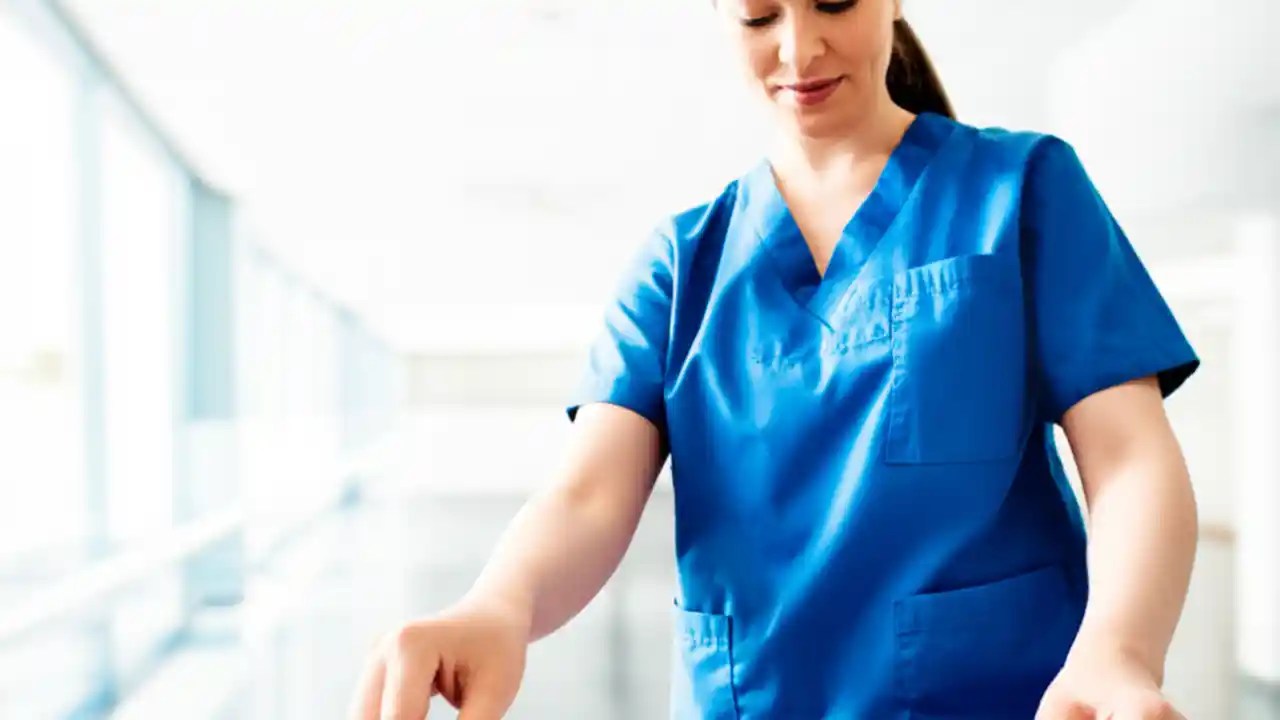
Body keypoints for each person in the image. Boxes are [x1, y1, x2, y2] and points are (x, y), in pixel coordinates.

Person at [349, 1, 1202, 718]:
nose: (799, 48)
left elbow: (1129, 457)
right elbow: (587, 495)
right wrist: (497, 606)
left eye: (834, 3)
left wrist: (1119, 651)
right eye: (760, 16)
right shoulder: (680, 265)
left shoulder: (1020, 192)